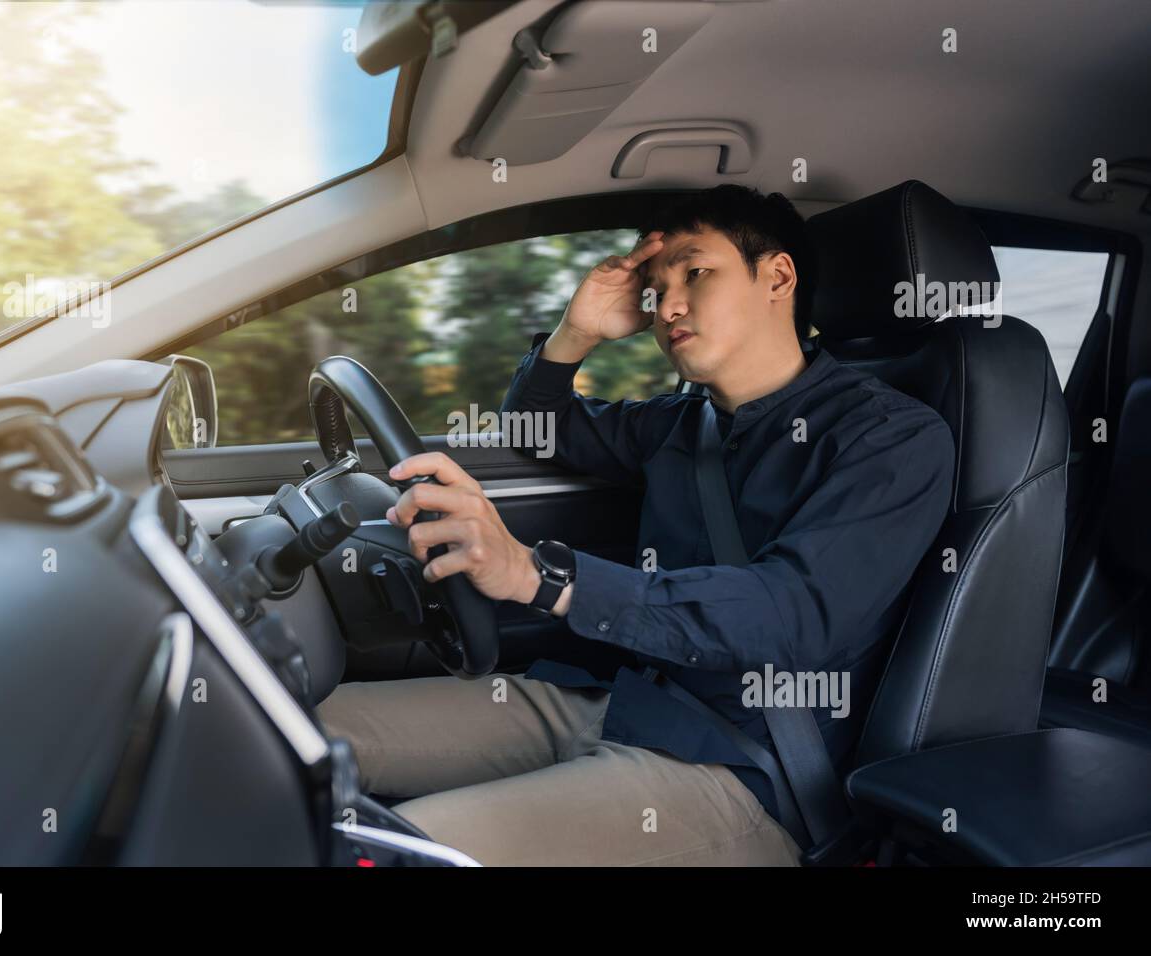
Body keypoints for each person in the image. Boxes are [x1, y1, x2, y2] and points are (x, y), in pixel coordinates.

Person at [317, 185, 956, 866]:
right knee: (292, 733)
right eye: (656, 288)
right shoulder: (680, 425)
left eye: (696, 272)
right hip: (621, 699)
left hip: (744, 769)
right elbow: (539, 427)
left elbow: (787, 615)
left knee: (393, 852)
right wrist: (576, 333)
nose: (668, 304)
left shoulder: (891, 438)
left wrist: (539, 575)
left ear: (777, 276)